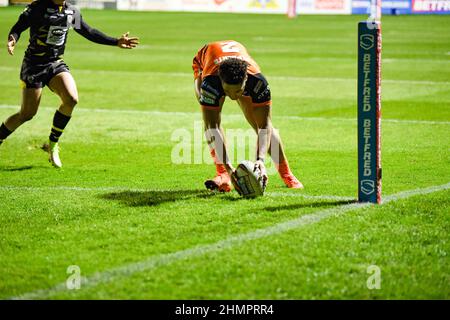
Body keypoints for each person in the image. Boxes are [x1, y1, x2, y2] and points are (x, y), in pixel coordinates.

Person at [0, 0, 139, 168]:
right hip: (34, 66)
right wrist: (12, 38)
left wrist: (115, 41)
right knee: (27, 114)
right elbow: (19, 26)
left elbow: (89, 32)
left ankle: (53, 144)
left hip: (55, 64)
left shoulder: (71, 12)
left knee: (71, 99)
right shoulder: (37, 8)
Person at [192, 40, 303, 192]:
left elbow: (265, 126)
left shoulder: (258, 82)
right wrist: (230, 168)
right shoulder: (211, 84)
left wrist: (260, 160)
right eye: (228, 91)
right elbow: (213, 128)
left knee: (259, 123)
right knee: (210, 118)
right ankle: (223, 174)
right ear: (221, 80)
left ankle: (287, 174)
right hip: (204, 62)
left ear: (245, 80)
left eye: (237, 91)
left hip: (236, 71)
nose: (232, 96)